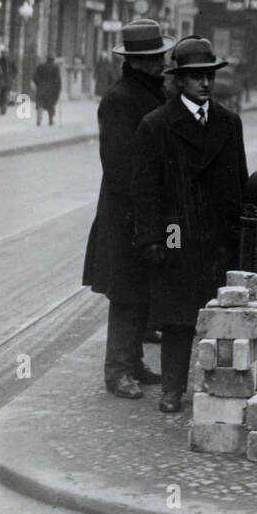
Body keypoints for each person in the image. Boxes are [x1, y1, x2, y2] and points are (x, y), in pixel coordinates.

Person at [133, 36, 248, 413]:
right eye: (196, 76)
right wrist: (154, 239)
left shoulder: (229, 123)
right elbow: (146, 189)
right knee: (178, 314)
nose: (205, 83)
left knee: (221, 315)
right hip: (176, 231)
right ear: (178, 81)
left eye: (209, 76)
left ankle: (217, 387)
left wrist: (238, 231)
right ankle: (172, 389)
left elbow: (239, 181)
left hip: (217, 232)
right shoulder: (156, 125)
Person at [82, 20, 171, 399]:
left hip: (143, 210)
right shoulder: (120, 99)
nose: (161, 62)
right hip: (127, 213)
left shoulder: (149, 92)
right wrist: (141, 213)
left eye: (160, 55)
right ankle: (117, 371)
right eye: (153, 58)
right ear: (136, 62)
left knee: (142, 291)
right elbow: (118, 166)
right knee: (126, 295)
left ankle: (133, 363)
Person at [33, 54, 62, 126]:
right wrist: (58, 89)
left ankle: (38, 120)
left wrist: (39, 84)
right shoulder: (55, 68)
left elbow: (35, 77)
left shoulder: (41, 66)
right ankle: (51, 120)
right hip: (51, 90)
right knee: (51, 105)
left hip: (41, 89)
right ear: (53, 60)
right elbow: (58, 80)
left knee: (40, 104)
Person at [0, 42, 12, 115]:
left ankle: (3, 109)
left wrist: (12, 76)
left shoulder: (10, 61)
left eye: (6, 53)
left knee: (5, 95)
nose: (5, 54)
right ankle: (2, 107)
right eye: (4, 53)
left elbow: (15, 70)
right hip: (0, 80)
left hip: (7, 80)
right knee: (1, 95)